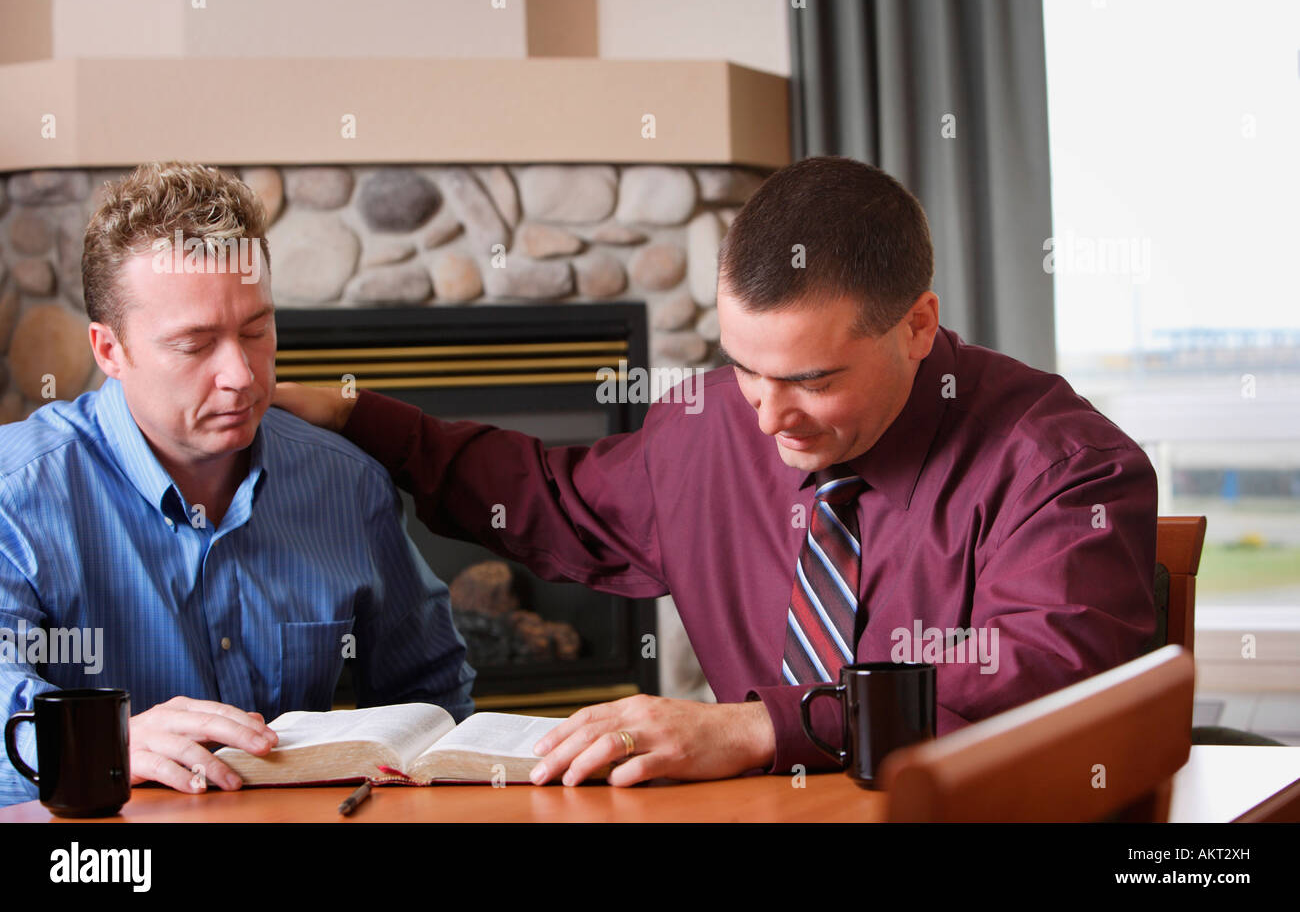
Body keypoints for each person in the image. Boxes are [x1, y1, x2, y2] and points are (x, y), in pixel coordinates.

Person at [274, 155, 1158, 787]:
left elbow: (1048, 675)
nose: (769, 417)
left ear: (919, 327)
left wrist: (758, 726)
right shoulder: (708, 427)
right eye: (745, 367)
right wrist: (358, 418)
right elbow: (546, 500)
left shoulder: (1063, 466)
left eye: (812, 379)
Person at [0, 162, 473, 807]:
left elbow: (432, 694)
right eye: (195, 346)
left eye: (256, 331)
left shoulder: (347, 483)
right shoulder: (17, 494)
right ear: (109, 351)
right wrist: (98, 746)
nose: (242, 377)